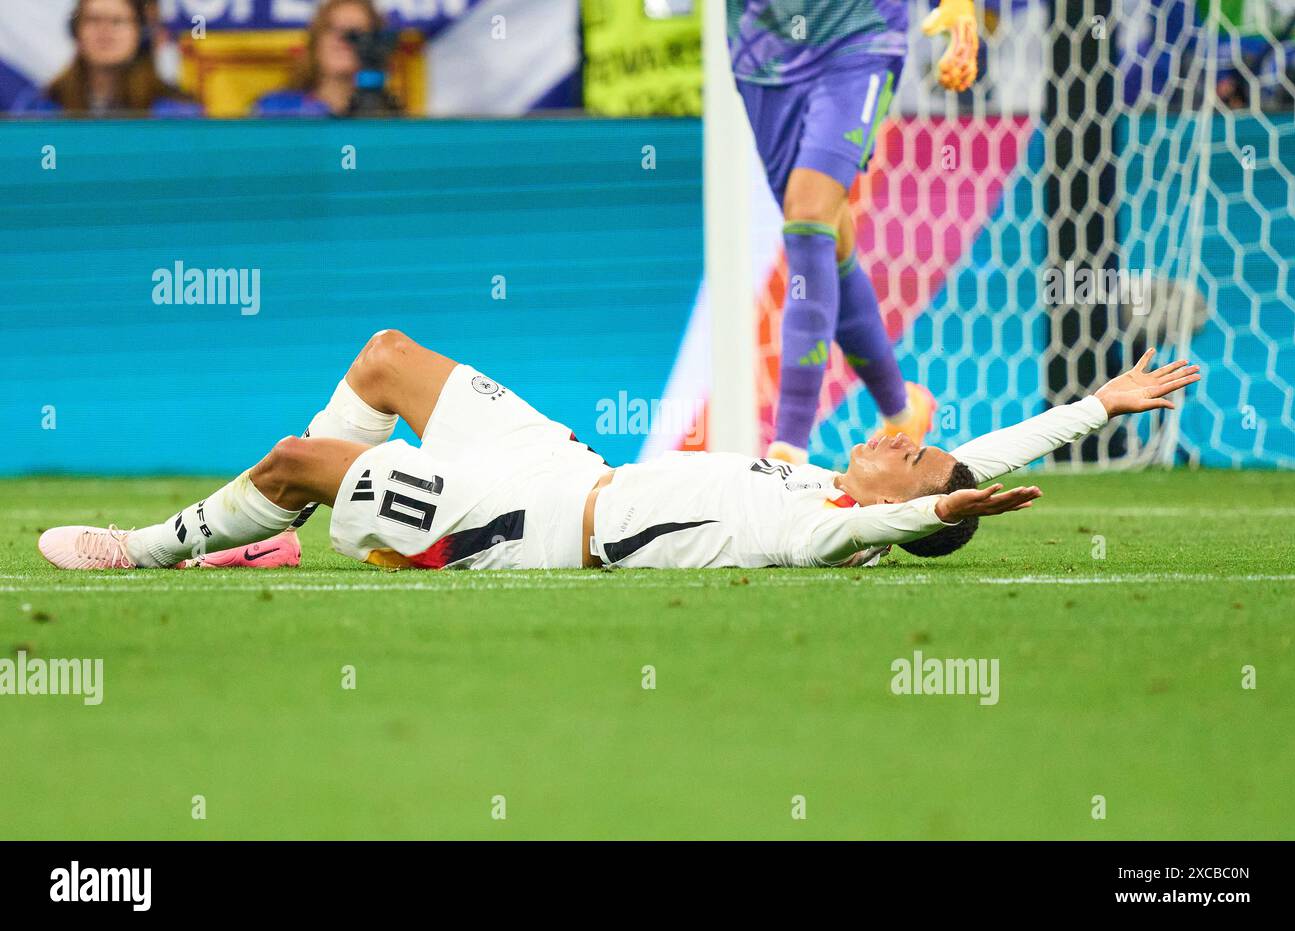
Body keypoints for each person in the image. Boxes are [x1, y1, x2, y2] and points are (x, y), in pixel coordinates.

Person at [38, 331, 1199, 573]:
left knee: (296, 458)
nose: (910, 438)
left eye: (920, 457)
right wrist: (1095, 403)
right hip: (560, 463)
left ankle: (144, 552)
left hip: (525, 528)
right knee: (387, 357)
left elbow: (911, 511)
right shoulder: (824, 475)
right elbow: (970, 454)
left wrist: (948, 514)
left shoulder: (827, 525)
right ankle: (264, 544)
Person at [727, 0, 980, 463]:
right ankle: (902, 412)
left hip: (859, 35)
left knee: (806, 222)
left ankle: (787, 452)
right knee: (826, 238)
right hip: (763, 52)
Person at [8, 0, 199, 118]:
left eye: (118, 21)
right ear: (76, 31)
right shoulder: (39, 107)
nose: (105, 30)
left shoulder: (177, 112)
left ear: (140, 35)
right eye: (93, 19)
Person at [252, 0, 396, 118]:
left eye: (354, 33)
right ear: (315, 43)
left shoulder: (389, 117)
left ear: (377, 44)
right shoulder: (276, 109)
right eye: (332, 29)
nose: (342, 40)